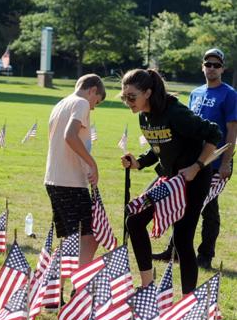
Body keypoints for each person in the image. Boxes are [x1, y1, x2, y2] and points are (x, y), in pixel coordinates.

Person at [120, 69, 221, 294]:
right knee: (134, 221)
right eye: (124, 97)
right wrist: (138, 162)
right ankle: (146, 286)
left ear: (148, 93)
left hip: (194, 180)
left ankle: (187, 301)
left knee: (182, 239)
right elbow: (159, 147)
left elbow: (214, 133)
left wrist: (196, 166)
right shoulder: (144, 116)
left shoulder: (175, 113)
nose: (128, 102)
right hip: (169, 179)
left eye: (132, 97)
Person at [152, 48, 237, 269]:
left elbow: (232, 130)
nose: (212, 68)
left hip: (215, 160)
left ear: (223, 69)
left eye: (216, 65)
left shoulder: (229, 94)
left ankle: (205, 255)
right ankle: (174, 250)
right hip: (192, 161)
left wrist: (226, 162)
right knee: (182, 203)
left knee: (208, 208)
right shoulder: (196, 93)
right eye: (208, 64)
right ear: (202, 67)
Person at [43, 74, 106, 267]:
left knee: (71, 239)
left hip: (54, 179)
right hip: (71, 182)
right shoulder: (81, 103)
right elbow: (70, 135)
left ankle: (53, 282)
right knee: (89, 238)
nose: (94, 107)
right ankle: (78, 283)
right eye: (97, 101)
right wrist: (93, 164)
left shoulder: (61, 104)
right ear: (92, 90)